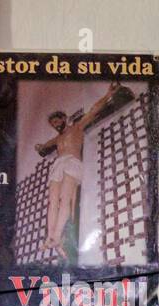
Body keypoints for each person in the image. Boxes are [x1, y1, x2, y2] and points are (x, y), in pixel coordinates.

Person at [34, 81, 122, 261]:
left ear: (64, 118)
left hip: (73, 161)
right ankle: (50, 236)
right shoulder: (56, 140)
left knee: (65, 199)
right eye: (53, 123)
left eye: (57, 120)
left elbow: (94, 110)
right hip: (58, 163)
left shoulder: (77, 127)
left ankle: (57, 235)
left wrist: (108, 94)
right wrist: (39, 146)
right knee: (53, 201)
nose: (56, 124)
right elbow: (44, 146)